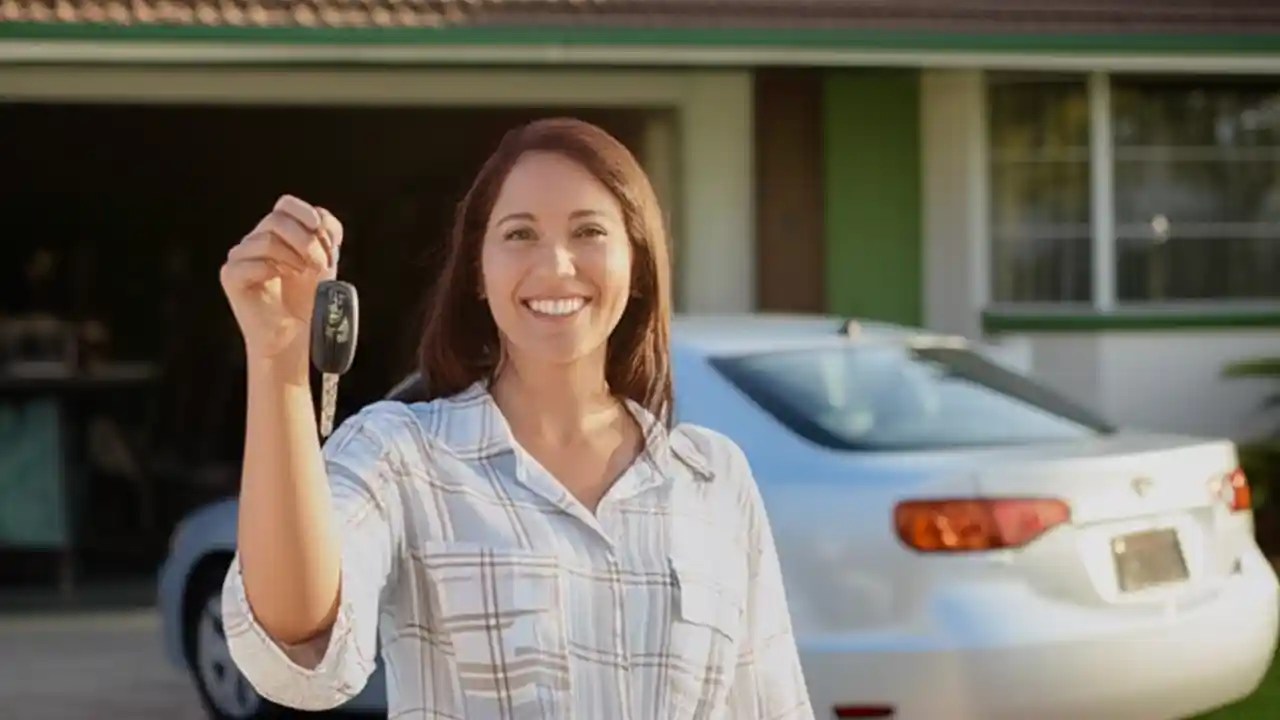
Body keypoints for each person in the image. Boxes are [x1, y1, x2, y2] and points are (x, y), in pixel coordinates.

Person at [218, 117, 814, 719]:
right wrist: (278, 363)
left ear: (637, 264)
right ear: (478, 271)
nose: (556, 265)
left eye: (588, 232)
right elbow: (295, 631)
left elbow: (772, 706)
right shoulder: (401, 453)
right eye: (520, 234)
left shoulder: (713, 478)